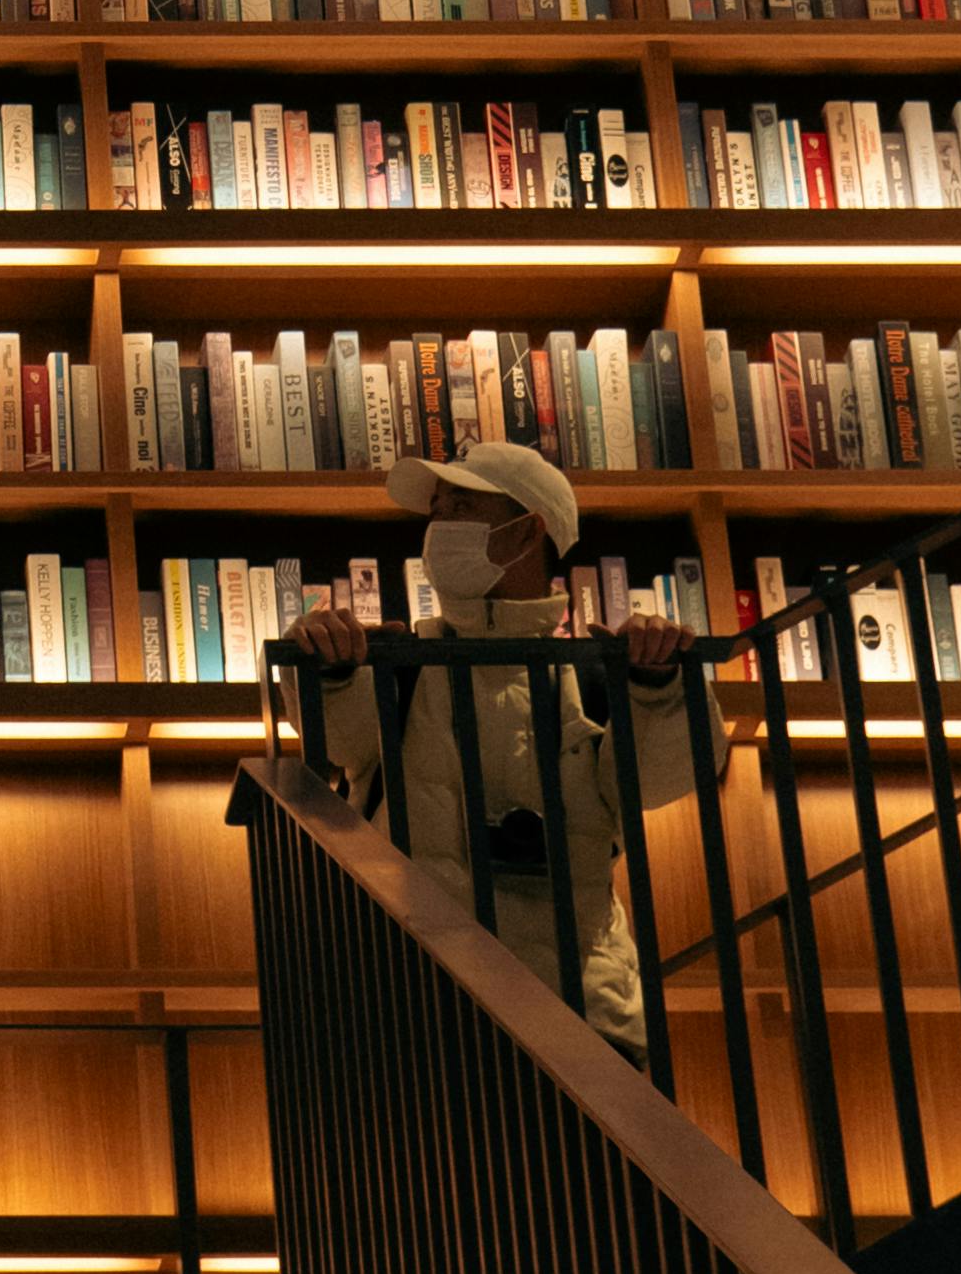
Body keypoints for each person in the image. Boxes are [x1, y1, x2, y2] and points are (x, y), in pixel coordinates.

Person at [276, 437, 716, 1057]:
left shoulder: (595, 673)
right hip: (417, 1010)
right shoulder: (399, 661)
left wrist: (658, 681)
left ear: (523, 532)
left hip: (579, 1018)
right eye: (437, 511)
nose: (438, 528)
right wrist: (323, 660)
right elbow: (338, 735)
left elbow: (664, 777)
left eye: (460, 509)